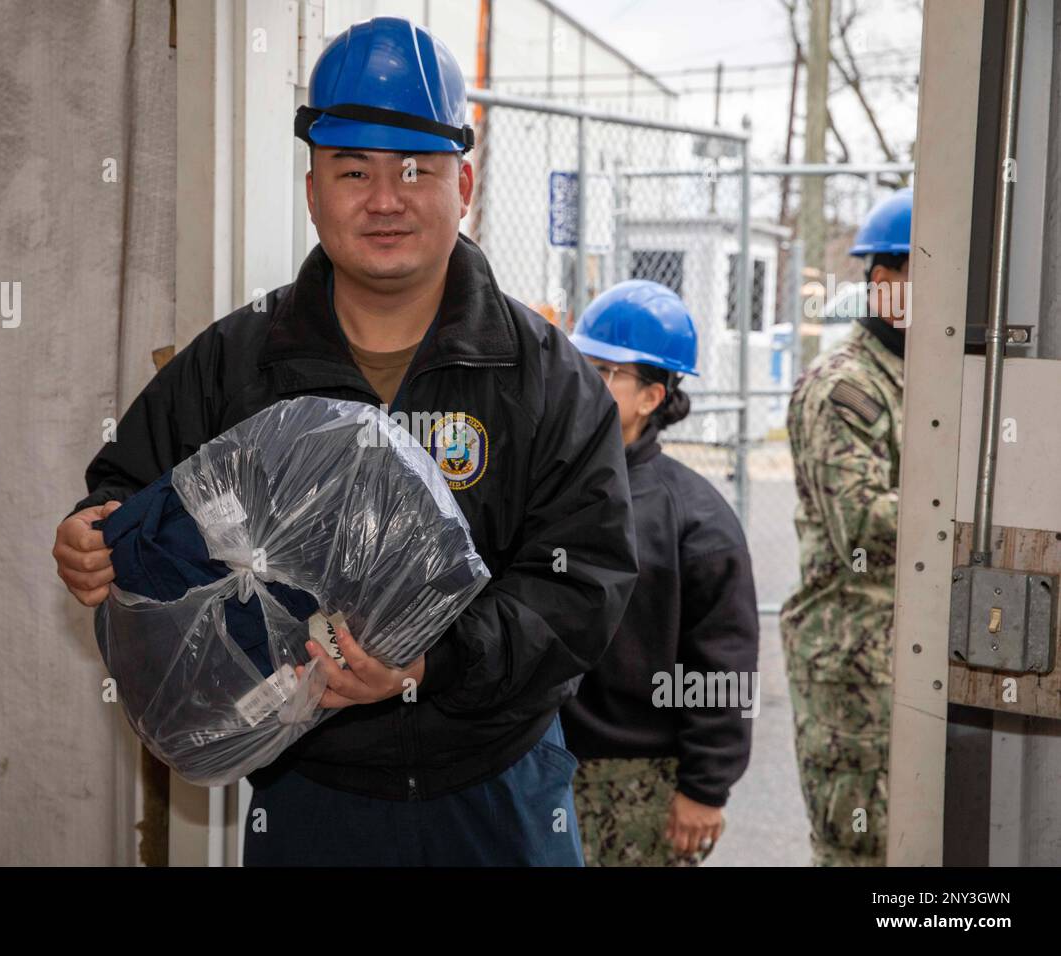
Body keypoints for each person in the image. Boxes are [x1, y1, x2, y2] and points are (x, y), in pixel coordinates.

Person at [51, 15, 636, 866]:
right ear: (313, 187)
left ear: (463, 183)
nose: (386, 197)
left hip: (497, 788)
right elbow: (127, 492)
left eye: (415, 169)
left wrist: (430, 666)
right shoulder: (237, 362)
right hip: (310, 795)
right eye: (353, 169)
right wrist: (90, 534)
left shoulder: (543, 373)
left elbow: (587, 582)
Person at [561, 279, 759, 866]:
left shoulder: (696, 518)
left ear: (650, 397)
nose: (581, 382)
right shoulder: (546, 485)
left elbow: (723, 660)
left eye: (603, 371)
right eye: (580, 365)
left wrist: (704, 788)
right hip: (541, 760)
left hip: (641, 781)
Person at [780, 187, 911, 867]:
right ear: (886, 283)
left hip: (912, 659)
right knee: (863, 850)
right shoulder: (845, 386)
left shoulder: (931, 378)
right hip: (859, 668)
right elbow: (862, 522)